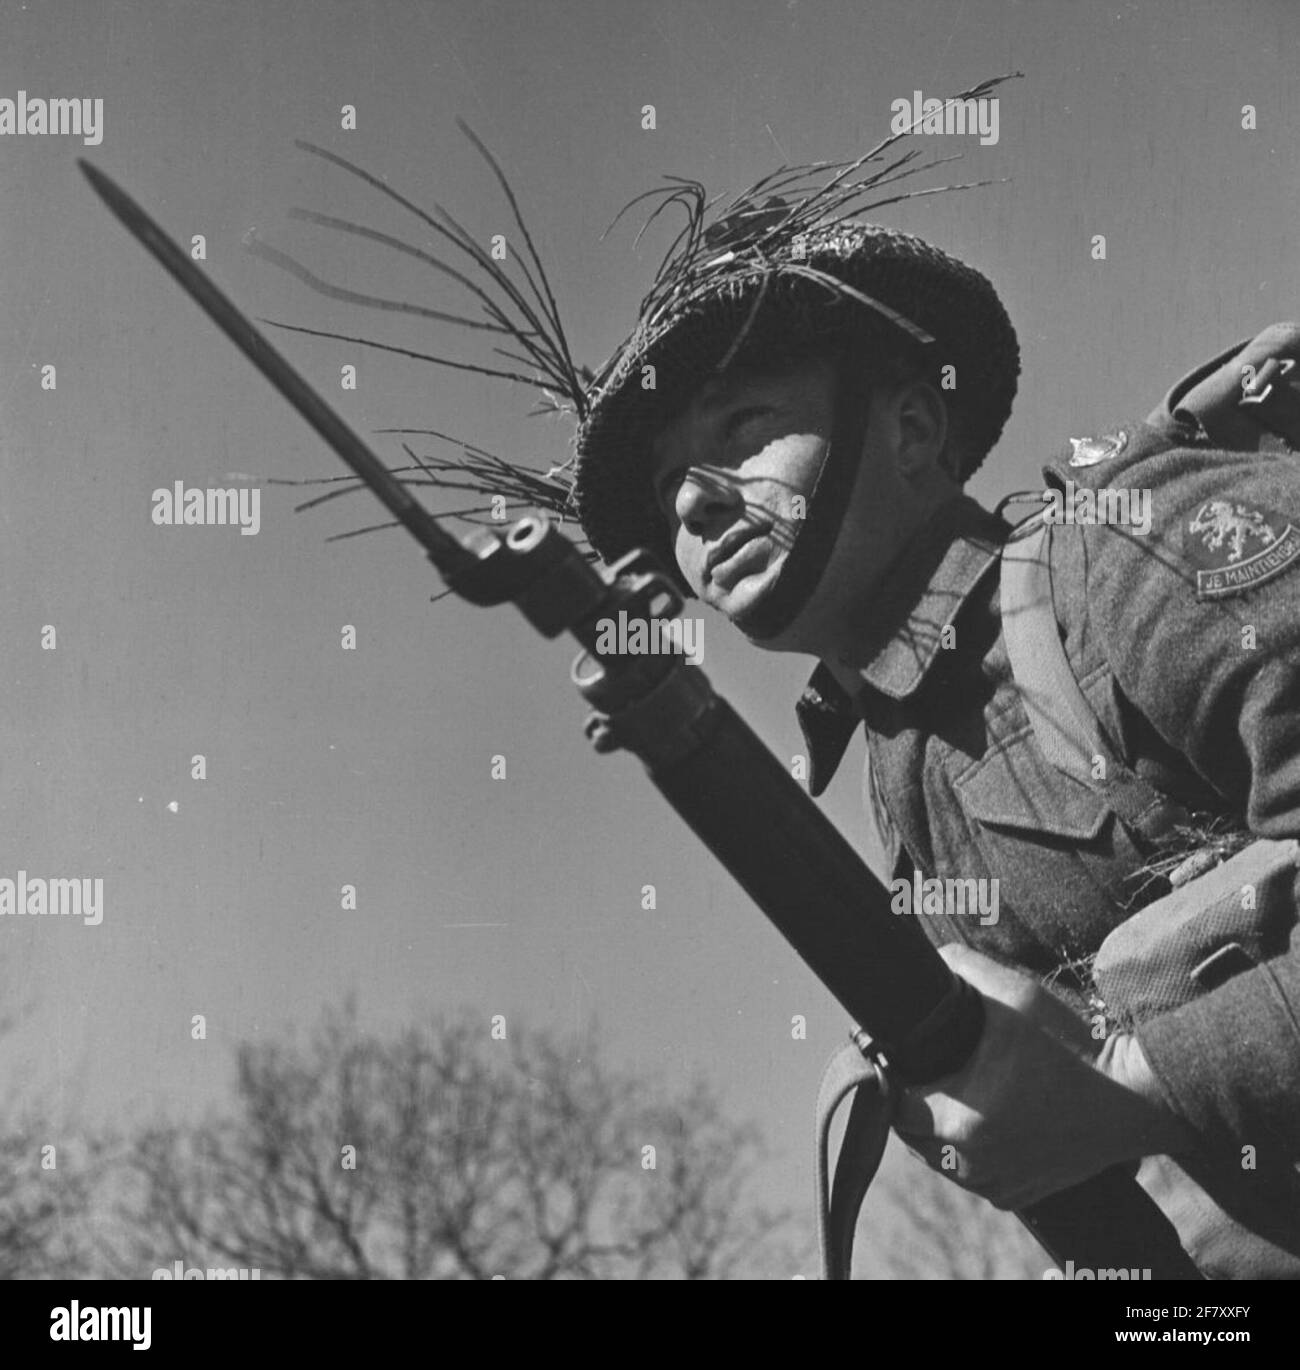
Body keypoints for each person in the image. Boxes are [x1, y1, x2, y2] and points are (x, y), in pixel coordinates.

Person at [565, 195, 1300, 1277]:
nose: (695, 507)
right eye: (670, 486)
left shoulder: (1132, 563)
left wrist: (1132, 1081)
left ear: (910, 429)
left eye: (741, 429)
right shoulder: (899, 769)